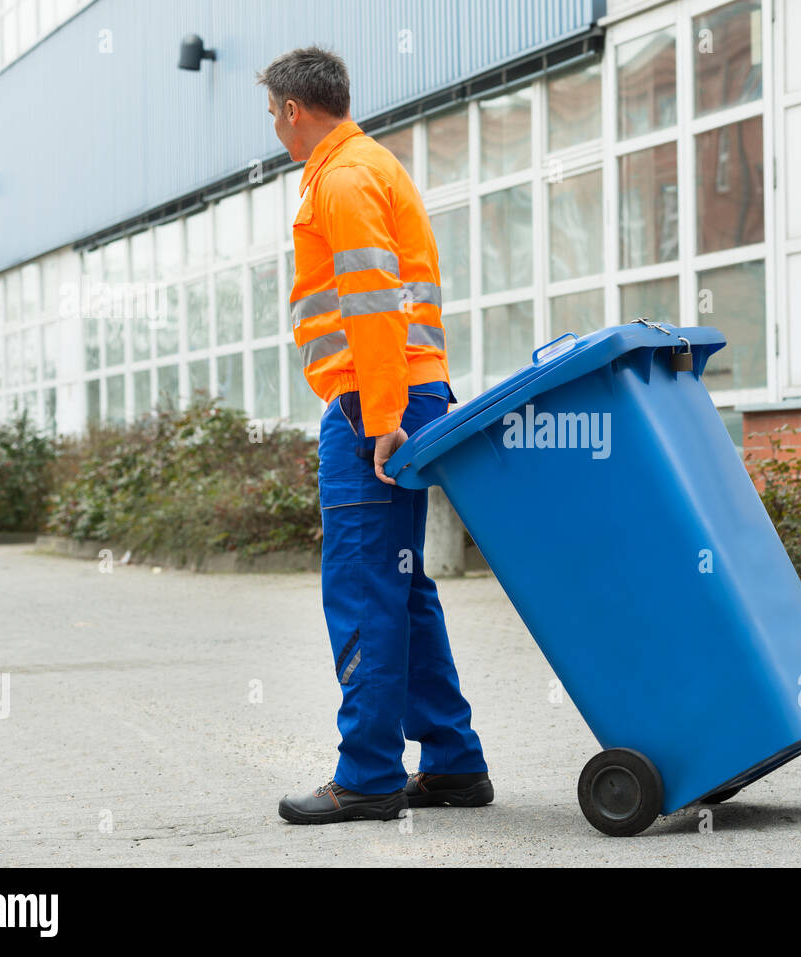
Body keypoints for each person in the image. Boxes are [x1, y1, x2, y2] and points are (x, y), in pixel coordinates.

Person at [257, 46, 490, 824]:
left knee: (362, 581)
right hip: (401, 394)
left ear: (294, 110)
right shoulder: (372, 165)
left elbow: (372, 304)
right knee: (403, 583)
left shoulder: (344, 177)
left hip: (373, 404)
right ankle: (453, 762)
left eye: (273, 115)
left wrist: (383, 418)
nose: (276, 130)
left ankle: (368, 774)